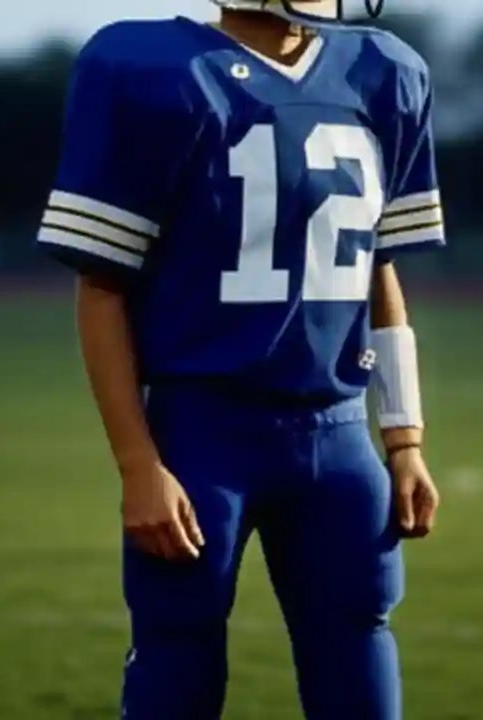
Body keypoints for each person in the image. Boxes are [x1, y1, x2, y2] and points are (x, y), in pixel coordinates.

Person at [37, 1, 444, 717]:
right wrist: (138, 465)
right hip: (204, 436)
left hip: (340, 432)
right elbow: (101, 289)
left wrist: (404, 437)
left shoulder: (383, 71)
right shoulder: (156, 70)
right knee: (178, 652)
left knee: (358, 645)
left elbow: (377, 267)